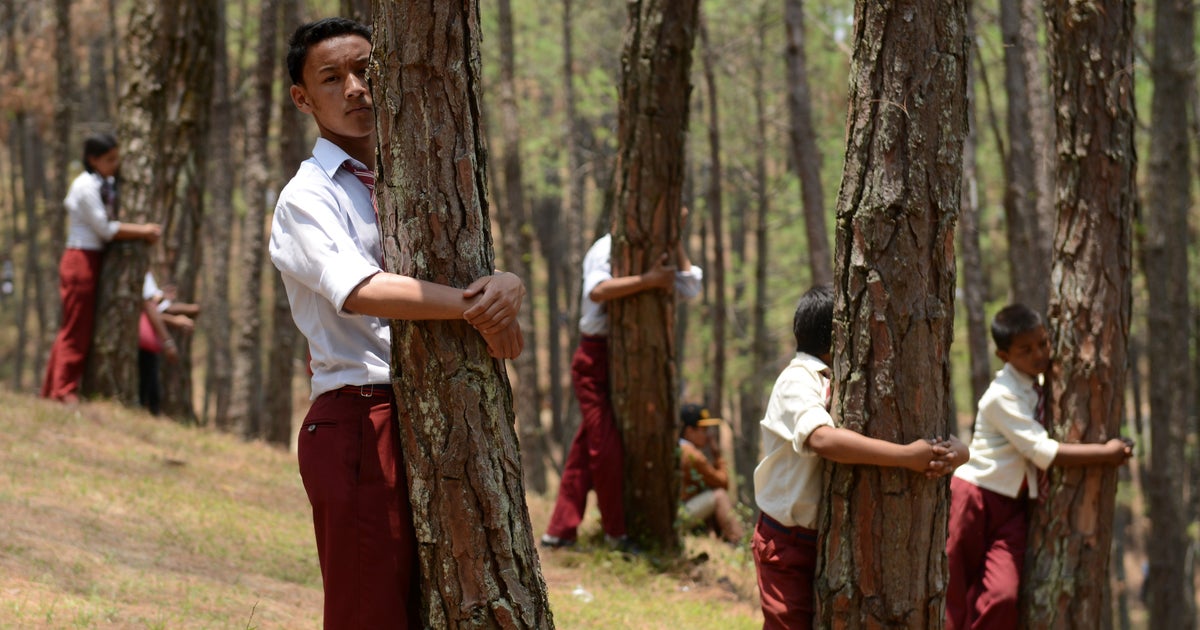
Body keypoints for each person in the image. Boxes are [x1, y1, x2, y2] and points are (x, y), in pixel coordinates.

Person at [268, 17, 524, 629]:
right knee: (370, 611)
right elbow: (360, 290)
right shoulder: (307, 197)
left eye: (367, 71)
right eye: (332, 78)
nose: (356, 88)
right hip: (360, 420)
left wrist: (507, 287)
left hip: (432, 417)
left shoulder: (422, 180)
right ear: (303, 99)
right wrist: (472, 304)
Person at [752, 284, 967, 630]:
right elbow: (821, 438)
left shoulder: (840, 379)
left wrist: (958, 452)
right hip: (786, 543)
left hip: (823, 540)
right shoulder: (797, 380)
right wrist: (905, 456)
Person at [945, 304, 1133, 630]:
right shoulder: (1000, 396)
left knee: (1003, 595)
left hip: (1014, 507)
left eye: (1043, 343)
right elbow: (1041, 451)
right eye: (1026, 350)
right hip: (975, 496)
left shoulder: (1042, 384)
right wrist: (1105, 453)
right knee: (954, 588)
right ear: (1003, 356)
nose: (1040, 354)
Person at [541, 218, 702, 550]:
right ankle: (615, 534)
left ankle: (559, 531)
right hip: (595, 358)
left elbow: (690, 287)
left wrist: (674, 240)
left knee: (586, 446)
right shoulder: (605, 249)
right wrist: (648, 281)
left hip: (628, 360)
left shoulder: (657, 250)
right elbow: (597, 290)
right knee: (604, 446)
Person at [41, 132, 162, 404]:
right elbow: (105, 229)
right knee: (77, 326)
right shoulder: (85, 187)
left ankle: (54, 387)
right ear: (93, 159)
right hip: (81, 258)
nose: (115, 165)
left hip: (91, 258)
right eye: (110, 160)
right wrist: (143, 231)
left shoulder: (102, 184)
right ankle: (63, 389)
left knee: (74, 324)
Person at [678, 403, 744, 544]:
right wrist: (717, 455)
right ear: (689, 431)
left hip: (679, 512)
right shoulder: (691, 455)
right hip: (679, 516)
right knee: (719, 496)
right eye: (703, 430)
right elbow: (723, 482)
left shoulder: (682, 449)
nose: (708, 435)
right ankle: (740, 542)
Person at [137, 272, 198, 415]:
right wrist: (168, 341)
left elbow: (163, 308)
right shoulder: (143, 275)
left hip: (150, 344)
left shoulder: (148, 277)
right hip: (143, 341)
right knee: (146, 388)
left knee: (151, 388)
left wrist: (195, 308)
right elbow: (150, 308)